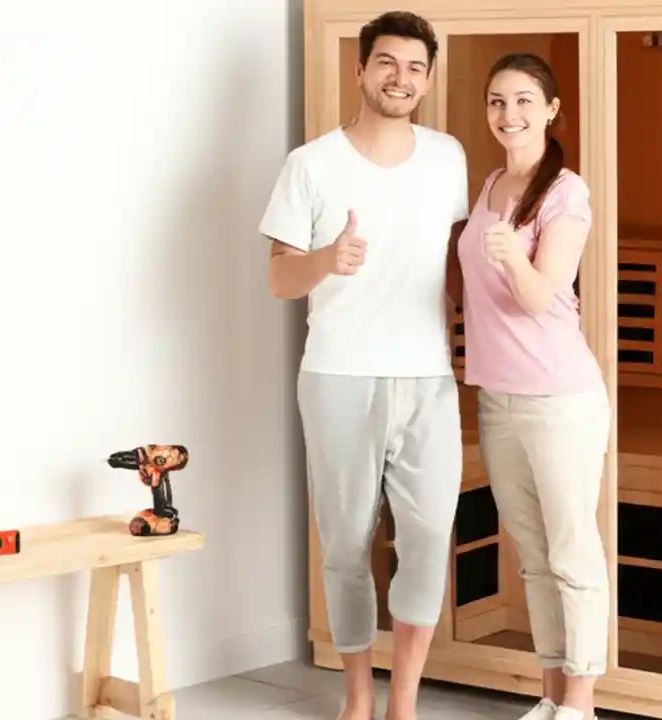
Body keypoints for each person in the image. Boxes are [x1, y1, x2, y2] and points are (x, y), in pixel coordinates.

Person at [259, 10, 470, 720]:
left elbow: (456, 266)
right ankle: (356, 692)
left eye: (415, 67)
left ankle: (403, 701)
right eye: (386, 63)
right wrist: (328, 259)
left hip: (428, 376)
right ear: (360, 70)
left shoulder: (449, 156)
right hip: (339, 375)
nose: (400, 78)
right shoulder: (312, 163)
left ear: (429, 78)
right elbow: (280, 280)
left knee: (430, 537)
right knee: (346, 544)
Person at [448, 52, 611, 720]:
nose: (507, 114)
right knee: (535, 557)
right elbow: (465, 291)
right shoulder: (487, 186)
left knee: (573, 552)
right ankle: (549, 698)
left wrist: (515, 255)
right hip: (498, 398)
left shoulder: (566, 192)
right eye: (496, 101)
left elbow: (543, 295)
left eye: (522, 101)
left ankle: (581, 702)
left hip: (560, 400)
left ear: (551, 109)